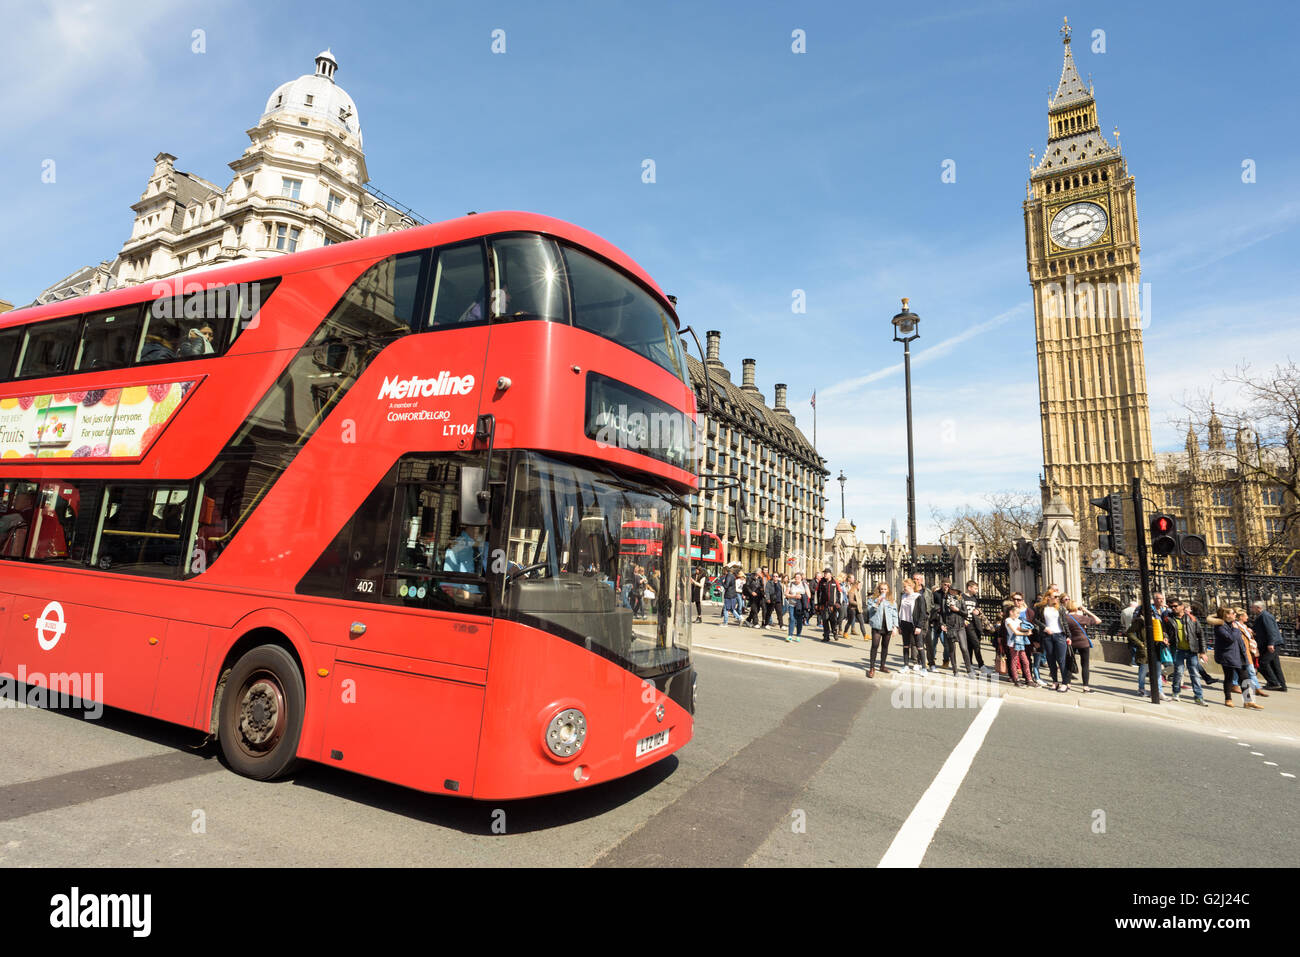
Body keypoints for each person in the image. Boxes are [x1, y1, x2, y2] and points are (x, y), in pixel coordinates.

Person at [1162, 598, 1207, 706]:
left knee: (1195, 674)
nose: (1173, 608)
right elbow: (1165, 632)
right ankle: (1176, 693)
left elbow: (1200, 635)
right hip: (1177, 649)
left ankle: (1198, 697)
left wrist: (1203, 651)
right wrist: (1165, 638)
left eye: (1175, 606)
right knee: (1178, 672)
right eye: (1171, 606)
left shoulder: (1192, 619)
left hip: (1191, 650)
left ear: (1182, 606)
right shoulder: (1168, 619)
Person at [1211, 606, 1257, 709]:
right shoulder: (1220, 626)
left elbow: (1239, 641)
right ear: (1227, 615)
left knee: (1245, 678)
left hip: (1238, 655)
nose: (1235, 615)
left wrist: (1244, 653)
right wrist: (1236, 631)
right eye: (1233, 613)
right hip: (1228, 656)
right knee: (1229, 677)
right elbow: (1230, 638)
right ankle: (1228, 699)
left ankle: (1248, 701)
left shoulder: (1233, 624)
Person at [1036, 586, 1069, 692]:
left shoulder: (1060, 608)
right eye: (1055, 596)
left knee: (1061, 660)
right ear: (1048, 597)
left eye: (1058, 596)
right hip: (1047, 636)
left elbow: (1065, 623)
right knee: (1050, 659)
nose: (1057, 598)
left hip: (1060, 635)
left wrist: (1068, 636)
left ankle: (1065, 683)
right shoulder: (1041, 608)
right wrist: (1044, 628)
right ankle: (1055, 681)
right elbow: (1035, 620)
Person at [1063, 599, 1100, 693]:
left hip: (1071, 642)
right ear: (1076, 608)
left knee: (1069, 663)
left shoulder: (1065, 618)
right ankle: (1085, 687)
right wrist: (1086, 610)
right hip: (1083, 643)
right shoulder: (1081, 617)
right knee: (1085, 665)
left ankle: (1067, 684)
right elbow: (1098, 620)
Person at [937, 581, 973, 676]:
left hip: (960, 627)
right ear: (949, 590)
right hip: (950, 627)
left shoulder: (961, 600)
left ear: (958, 592)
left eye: (956, 591)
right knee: (952, 649)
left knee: (964, 648)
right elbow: (941, 614)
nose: (954, 592)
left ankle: (969, 669)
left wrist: (957, 610)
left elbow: (965, 613)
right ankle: (955, 670)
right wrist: (942, 624)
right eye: (952, 590)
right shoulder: (945, 600)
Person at [1251, 601, 1288, 691]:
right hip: (1271, 643)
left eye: (1253, 607)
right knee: (1275, 665)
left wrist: (1271, 643)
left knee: (1262, 663)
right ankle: (1282, 685)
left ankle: (1273, 683)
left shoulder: (1265, 616)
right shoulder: (1261, 616)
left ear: (1259, 608)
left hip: (1273, 644)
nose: (1251, 609)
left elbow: (1271, 631)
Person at [865, 582, 899, 677]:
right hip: (877, 626)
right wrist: (877, 602)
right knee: (875, 646)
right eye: (881, 589)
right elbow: (869, 611)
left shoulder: (891, 600)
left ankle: (882, 665)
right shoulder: (872, 599)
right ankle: (872, 667)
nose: (883, 591)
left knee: (885, 646)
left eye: (885, 589)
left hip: (887, 626)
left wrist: (895, 627)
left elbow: (895, 614)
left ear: (888, 590)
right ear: (879, 590)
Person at [960, 580, 991, 674]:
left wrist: (977, 611)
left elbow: (977, 608)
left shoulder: (974, 598)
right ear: (969, 588)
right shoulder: (962, 597)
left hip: (975, 624)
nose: (977, 590)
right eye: (975, 588)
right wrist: (963, 620)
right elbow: (959, 610)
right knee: (976, 644)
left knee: (971, 645)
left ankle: (969, 666)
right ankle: (981, 665)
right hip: (967, 624)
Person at [1005, 595, 1036, 687]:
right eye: (1017, 613)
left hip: (1021, 643)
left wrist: (1028, 629)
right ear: (1011, 612)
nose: (1018, 615)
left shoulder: (1018, 620)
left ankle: (1029, 679)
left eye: (1019, 613)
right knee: (1014, 660)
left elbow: (1020, 628)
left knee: (1025, 661)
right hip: (1013, 643)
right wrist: (1025, 634)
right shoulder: (1008, 620)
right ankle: (1016, 679)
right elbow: (1015, 631)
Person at [910, 573, 936, 671]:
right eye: (914, 579)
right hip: (914, 620)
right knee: (915, 642)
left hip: (926, 620)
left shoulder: (928, 592)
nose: (916, 581)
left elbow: (932, 606)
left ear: (921, 580)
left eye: (917, 579)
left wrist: (930, 617)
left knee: (929, 643)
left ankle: (931, 663)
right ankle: (916, 662)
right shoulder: (911, 591)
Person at [815, 568, 839, 642]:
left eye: (826, 573)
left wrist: (838, 603)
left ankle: (835, 632)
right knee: (825, 620)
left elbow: (839, 593)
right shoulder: (821, 582)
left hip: (833, 605)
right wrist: (816, 603)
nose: (824, 574)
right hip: (824, 605)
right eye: (824, 573)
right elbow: (817, 592)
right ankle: (826, 636)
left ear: (830, 574)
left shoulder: (835, 582)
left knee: (833, 620)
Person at [784, 572, 809, 641]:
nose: (797, 579)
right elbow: (786, 594)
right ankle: (790, 635)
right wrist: (794, 596)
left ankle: (798, 635)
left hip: (800, 606)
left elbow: (809, 595)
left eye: (798, 578)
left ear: (801, 578)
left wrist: (801, 596)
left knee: (799, 621)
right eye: (796, 577)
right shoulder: (791, 584)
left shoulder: (804, 585)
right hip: (792, 604)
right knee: (792, 619)